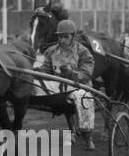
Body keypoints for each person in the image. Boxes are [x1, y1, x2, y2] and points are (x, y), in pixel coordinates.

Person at [33, 17, 97, 149]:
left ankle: (88, 135)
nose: (62, 40)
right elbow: (46, 70)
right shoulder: (51, 51)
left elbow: (86, 74)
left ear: (73, 37)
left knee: (82, 96)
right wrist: (37, 71)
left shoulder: (83, 52)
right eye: (60, 37)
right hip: (58, 88)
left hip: (79, 87)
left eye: (65, 37)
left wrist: (70, 73)